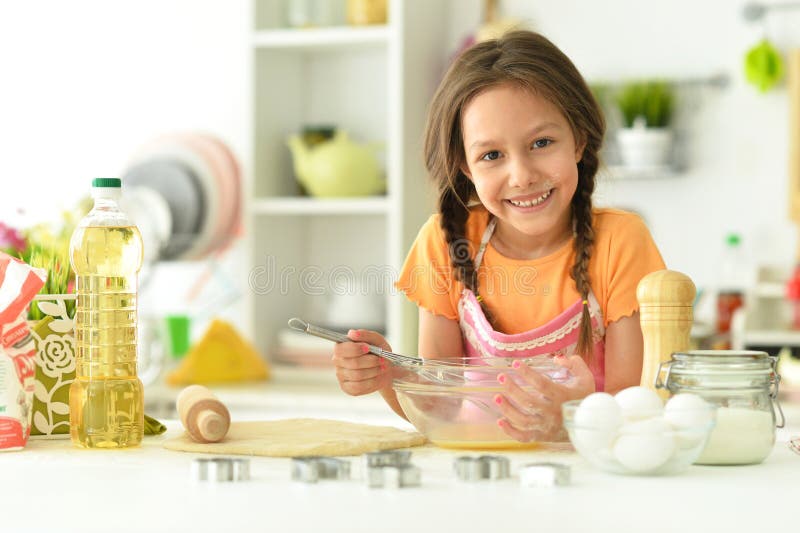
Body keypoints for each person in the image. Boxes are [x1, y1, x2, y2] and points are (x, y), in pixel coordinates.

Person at [332, 30, 665, 442]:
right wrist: (390, 374)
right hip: (481, 481)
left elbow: (637, 405)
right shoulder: (444, 244)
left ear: (578, 139)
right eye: (492, 155)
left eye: (541, 142)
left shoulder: (622, 241)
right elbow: (443, 410)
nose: (522, 176)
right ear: (466, 168)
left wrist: (578, 414)